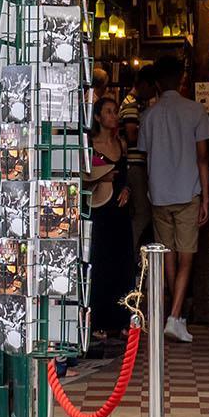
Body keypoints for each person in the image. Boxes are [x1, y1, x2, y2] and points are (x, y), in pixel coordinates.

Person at [137, 57, 209, 342]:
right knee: (186, 256)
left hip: (159, 194)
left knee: (167, 254)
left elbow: (144, 156)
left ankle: (175, 315)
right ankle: (175, 317)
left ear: (156, 82)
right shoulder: (195, 111)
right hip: (187, 191)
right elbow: (203, 158)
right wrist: (206, 198)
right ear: (182, 79)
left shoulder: (149, 116)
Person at [87, 95, 135, 346]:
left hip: (119, 208)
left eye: (115, 111)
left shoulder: (121, 144)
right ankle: (99, 321)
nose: (114, 116)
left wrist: (126, 189)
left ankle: (122, 319)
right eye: (108, 111)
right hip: (99, 208)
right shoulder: (89, 144)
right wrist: (100, 180)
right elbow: (83, 177)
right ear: (97, 117)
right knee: (99, 262)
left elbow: (126, 175)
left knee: (122, 262)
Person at [120, 64, 158, 252]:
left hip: (137, 164)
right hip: (134, 164)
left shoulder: (133, 104)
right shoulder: (130, 104)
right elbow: (132, 135)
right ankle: (132, 252)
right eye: (152, 88)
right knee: (143, 212)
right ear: (144, 84)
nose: (152, 93)